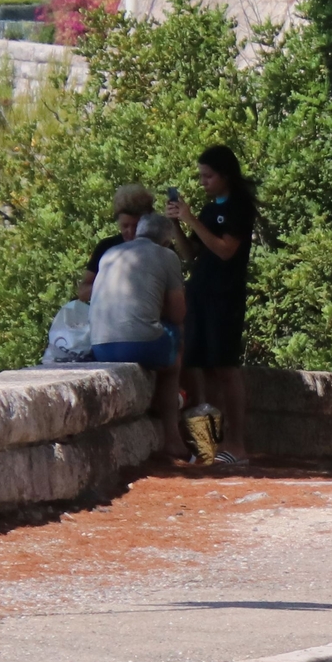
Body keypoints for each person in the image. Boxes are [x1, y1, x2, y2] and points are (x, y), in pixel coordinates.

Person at [170, 143, 256, 465]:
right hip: (201, 295)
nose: (203, 182)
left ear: (225, 175)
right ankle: (211, 445)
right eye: (201, 176)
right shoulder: (208, 211)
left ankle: (237, 443)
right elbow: (190, 254)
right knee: (205, 369)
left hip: (225, 297)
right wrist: (176, 224)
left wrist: (191, 218)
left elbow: (224, 250)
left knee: (226, 368)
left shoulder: (238, 207)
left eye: (208, 176)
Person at [89, 212, 189, 460]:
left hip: (100, 345)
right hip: (140, 345)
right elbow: (178, 313)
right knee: (175, 351)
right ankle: (173, 438)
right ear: (166, 241)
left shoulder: (110, 253)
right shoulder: (167, 256)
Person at [77, 183, 156, 303]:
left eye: (136, 226)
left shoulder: (160, 248)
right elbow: (83, 292)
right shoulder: (106, 247)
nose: (130, 231)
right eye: (125, 226)